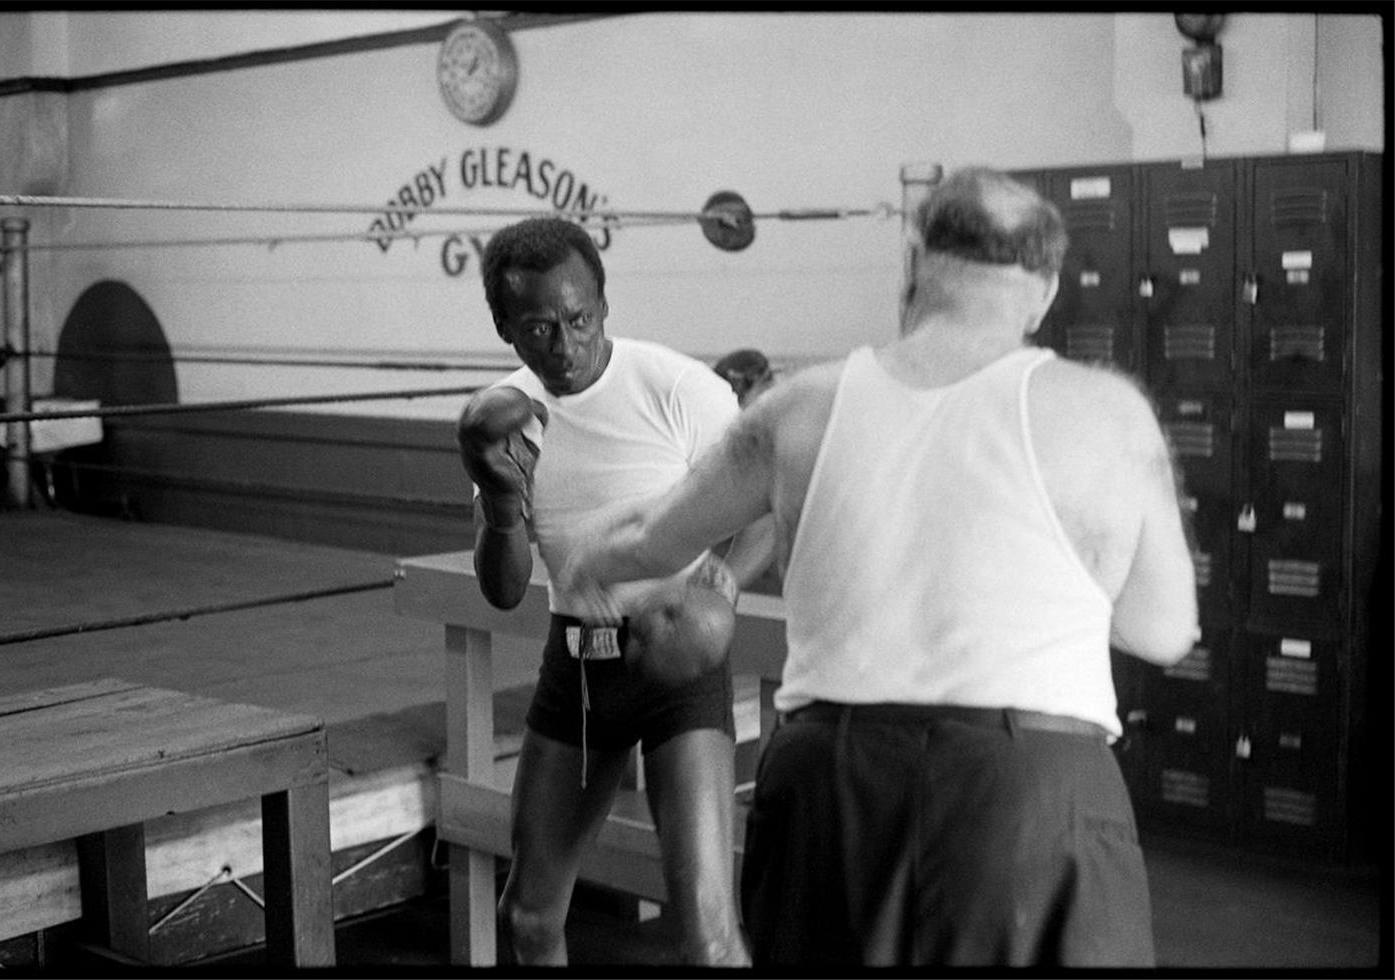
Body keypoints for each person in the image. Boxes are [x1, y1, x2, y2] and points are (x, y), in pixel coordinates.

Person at [558, 167, 1200, 967]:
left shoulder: (799, 407)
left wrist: (588, 561)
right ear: (1044, 290)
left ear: (911, 262)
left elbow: (653, 538)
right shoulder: (1105, 413)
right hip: (1029, 794)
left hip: (835, 787)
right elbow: (1165, 631)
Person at [455, 216, 767, 966]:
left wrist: (717, 589)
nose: (563, 345)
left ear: (602, 303)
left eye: (578, 319)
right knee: (530, 918)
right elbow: (502, 591)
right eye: (537, 328)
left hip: (678, 671)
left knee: (708, 929)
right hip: (579, 673)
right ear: (504, 326)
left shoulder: (678, 389)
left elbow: (764, 510)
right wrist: (501, 506)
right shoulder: (506, 419)